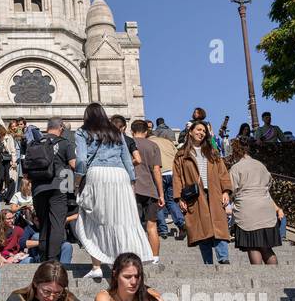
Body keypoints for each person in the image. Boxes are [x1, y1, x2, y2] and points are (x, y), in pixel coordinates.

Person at [72, 103, 151, 280]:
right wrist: (131, 182)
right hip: (120, 177)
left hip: (97, 174)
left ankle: (97, 266)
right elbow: (127, 160)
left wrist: (77, 182)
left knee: (91, 219)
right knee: (122, 219)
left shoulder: (82, 132)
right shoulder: (116, 132)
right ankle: (126, 265)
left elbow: (82, 161)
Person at [173, 121, 233, 265]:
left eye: (204, 131)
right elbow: (177, 177)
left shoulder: (212, 151)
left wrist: (226, 191)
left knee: (219, 227)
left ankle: (223, 259)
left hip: (214, 193)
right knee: (202, 230)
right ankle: (208, 264)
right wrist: (179, 198)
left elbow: (223, 173)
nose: (201, 133)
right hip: (194, 196)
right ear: (191, 132)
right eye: (199, 130)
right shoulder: (181, 155)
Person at [227, 136, 284, 265]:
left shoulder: (236, 168)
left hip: (247, 210)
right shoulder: (261, 166)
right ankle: (276, 277)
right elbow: (268, 184)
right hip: (265, 208)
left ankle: (258, 280)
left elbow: (231, 188)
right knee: (266, 248)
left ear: (236, 151)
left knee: (252, 246)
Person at [27, 117, 76, 264]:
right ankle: (52, 260)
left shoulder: (34, 143)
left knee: (44, 224)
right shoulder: (64, 143)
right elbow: (74, 165)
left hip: (38, 188)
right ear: (61, 128)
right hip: (58, 187)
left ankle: (43, 259)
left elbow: (27, 170)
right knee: (57, 224)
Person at [126, 120, 165, 263]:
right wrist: (161, 194)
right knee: (152, 226)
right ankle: (155, 257)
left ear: (131, 131)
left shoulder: (127, 143)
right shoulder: (153, 145)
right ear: (147, 131)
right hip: (150, 190)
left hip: (133, 189)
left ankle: (136, 257)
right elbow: (157, 170)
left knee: (133, 225)